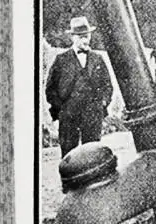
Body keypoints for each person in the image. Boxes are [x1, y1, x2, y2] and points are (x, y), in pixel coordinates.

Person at [46, 16, 114, 157]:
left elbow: (108, 85)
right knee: (69, 157)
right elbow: (50, 89)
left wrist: (102, 103)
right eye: (81, 37)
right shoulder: (61, 60)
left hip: (92, 115)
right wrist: (61, 109)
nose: (85, 40)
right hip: (69, 116)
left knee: (93, 154)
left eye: (87, 36)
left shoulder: (97, 59)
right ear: (73, 38)